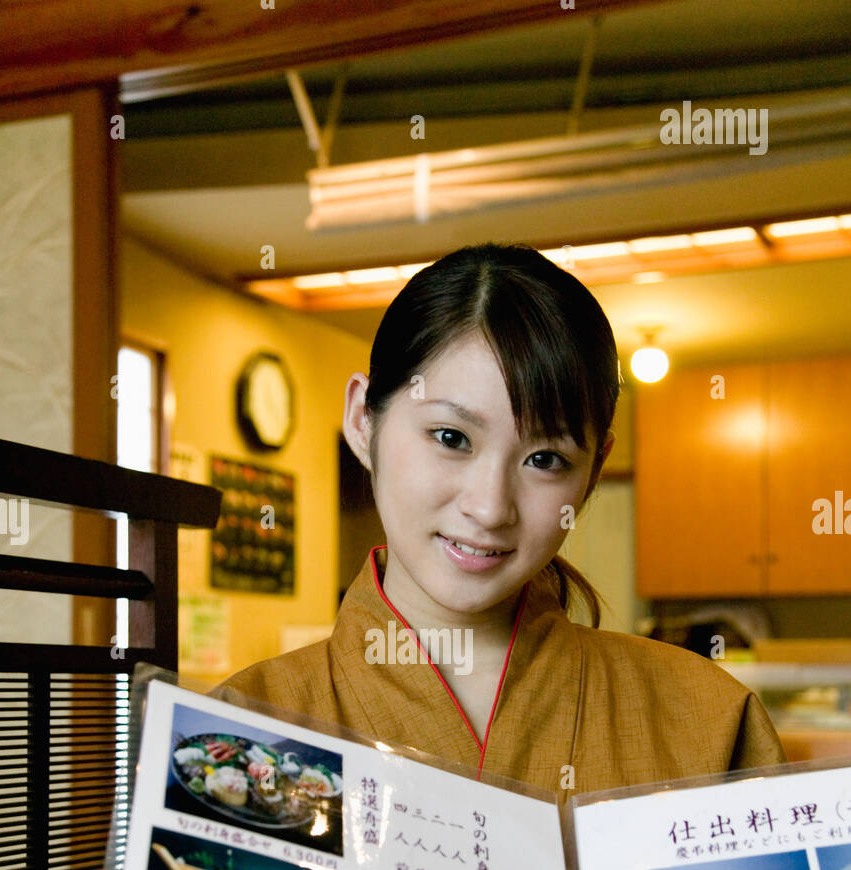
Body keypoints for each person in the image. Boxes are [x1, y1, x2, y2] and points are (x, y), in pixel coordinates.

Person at [215, 242, 785, 799]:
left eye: (544, 459)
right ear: (364, 421)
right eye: (451, 438)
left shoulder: (708, 719)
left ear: (593, 470)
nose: (489, 508)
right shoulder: (241, 727)